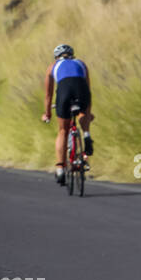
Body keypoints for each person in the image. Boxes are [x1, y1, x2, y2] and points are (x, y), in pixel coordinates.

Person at [41, 44, 94, 184]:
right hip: (81, 90)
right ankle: (87, 134)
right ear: (72, 55)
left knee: (63, 130)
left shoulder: (53, 67)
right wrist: (88, 113)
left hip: (64, 91)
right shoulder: (81, 63)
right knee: (82, 113)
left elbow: (48, 95)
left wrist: (47, 114)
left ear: (56, 57)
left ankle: (60, 168)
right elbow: (88, 91)